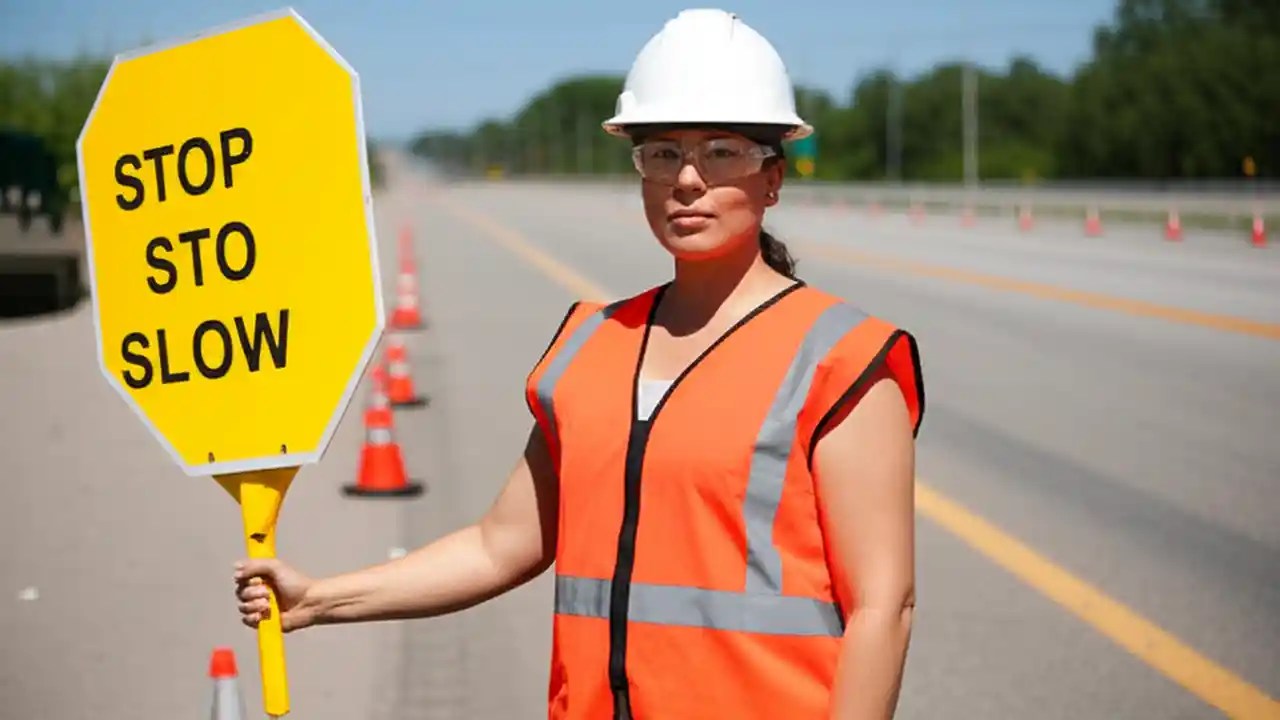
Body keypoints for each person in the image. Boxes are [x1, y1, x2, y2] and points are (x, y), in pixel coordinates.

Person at [233, 8, 925, 720]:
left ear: (772, 178)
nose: (688, 179)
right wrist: (321, 599)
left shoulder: (841, 359)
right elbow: (498, 545)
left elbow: (884, 606)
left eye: (723, 152)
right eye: (662, 154)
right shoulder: (590, 345)